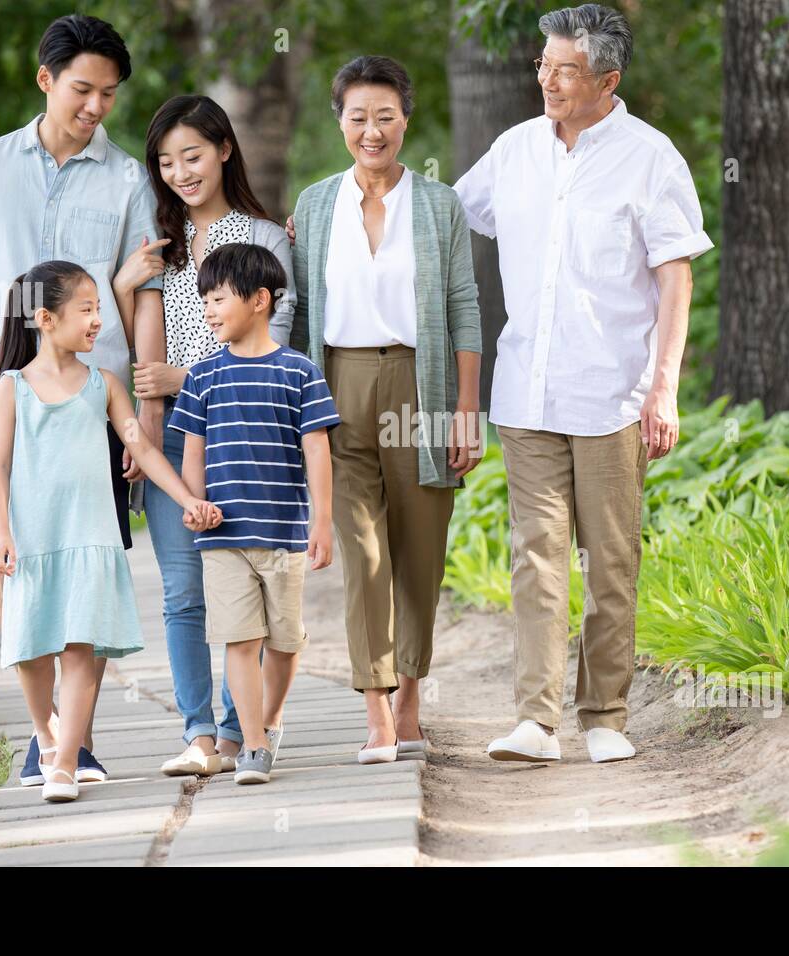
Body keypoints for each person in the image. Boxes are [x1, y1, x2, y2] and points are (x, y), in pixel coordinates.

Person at [452, 3, 714, 763]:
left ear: (608, 79)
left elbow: (675, 277)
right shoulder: (514, 151)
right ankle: (536, 721)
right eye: (543, 65)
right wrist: (347, 202)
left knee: (610, 559)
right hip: (526, 393)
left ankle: (605, 715)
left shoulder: (650, 157)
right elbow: (440, 213)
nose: (547, 81)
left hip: (613, 396)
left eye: (565, 70)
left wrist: (664, 389)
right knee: (534, 554)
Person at [0, 13, 166, 785]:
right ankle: (44, 733)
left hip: (93, 403)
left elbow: (142, 300)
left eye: (109, 94)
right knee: (12, 563)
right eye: (82, 90)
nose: (96, 106)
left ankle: (73, 746)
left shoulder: (128, 177)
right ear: (46, 80)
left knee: (88, 569)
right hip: (0, 396)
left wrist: (142, 420)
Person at [288, 56, 483, 764]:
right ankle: (374, 711)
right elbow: (299, 309)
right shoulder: (313, 206)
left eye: (385, 116)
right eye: (358, 117)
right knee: (363, 553)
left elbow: (464, 304)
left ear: (406, 119)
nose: (372, 131)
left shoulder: (438, 204)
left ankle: (410, 695)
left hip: (420, 381)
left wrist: (467, 409)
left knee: (420, 555)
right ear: (338, 121)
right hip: (336, 386)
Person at [0, 261, 218, 803]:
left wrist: (187, 498)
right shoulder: (12, 387)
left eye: (98, 308)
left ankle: (64, 763)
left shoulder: (104, 385)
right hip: (34, 540)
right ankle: (45, 735)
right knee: (32, 651)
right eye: (86, 310)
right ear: (45, 318)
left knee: (81, 652)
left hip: (91, 537)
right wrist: (1, 534)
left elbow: (142, 448)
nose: (97, 321)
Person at [111, 94, 296, 776]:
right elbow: (128, 349)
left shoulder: (266, 240)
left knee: (241, 591)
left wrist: (179, 377)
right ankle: (198, 732)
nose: (180, 172)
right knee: (184, 591)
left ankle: (236, 726)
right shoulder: (158, 250)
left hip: (247, 442)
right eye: (165, 162)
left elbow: (277, 344)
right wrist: (143, 426)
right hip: (170, 446)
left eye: (192, 155)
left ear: (224, 149)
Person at [168, 243, 339, 785]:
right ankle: (255, 745)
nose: (210, 310)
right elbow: (192, 451)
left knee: (284, 641)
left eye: (219, 298)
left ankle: (267, 719)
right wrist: (195, 505)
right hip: (224, 537)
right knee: (239, 640)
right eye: (206, 300)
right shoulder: (202, 376)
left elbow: (317, 451)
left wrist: (321, 520)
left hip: (284, 534)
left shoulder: (300, 372)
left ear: (260, 300)